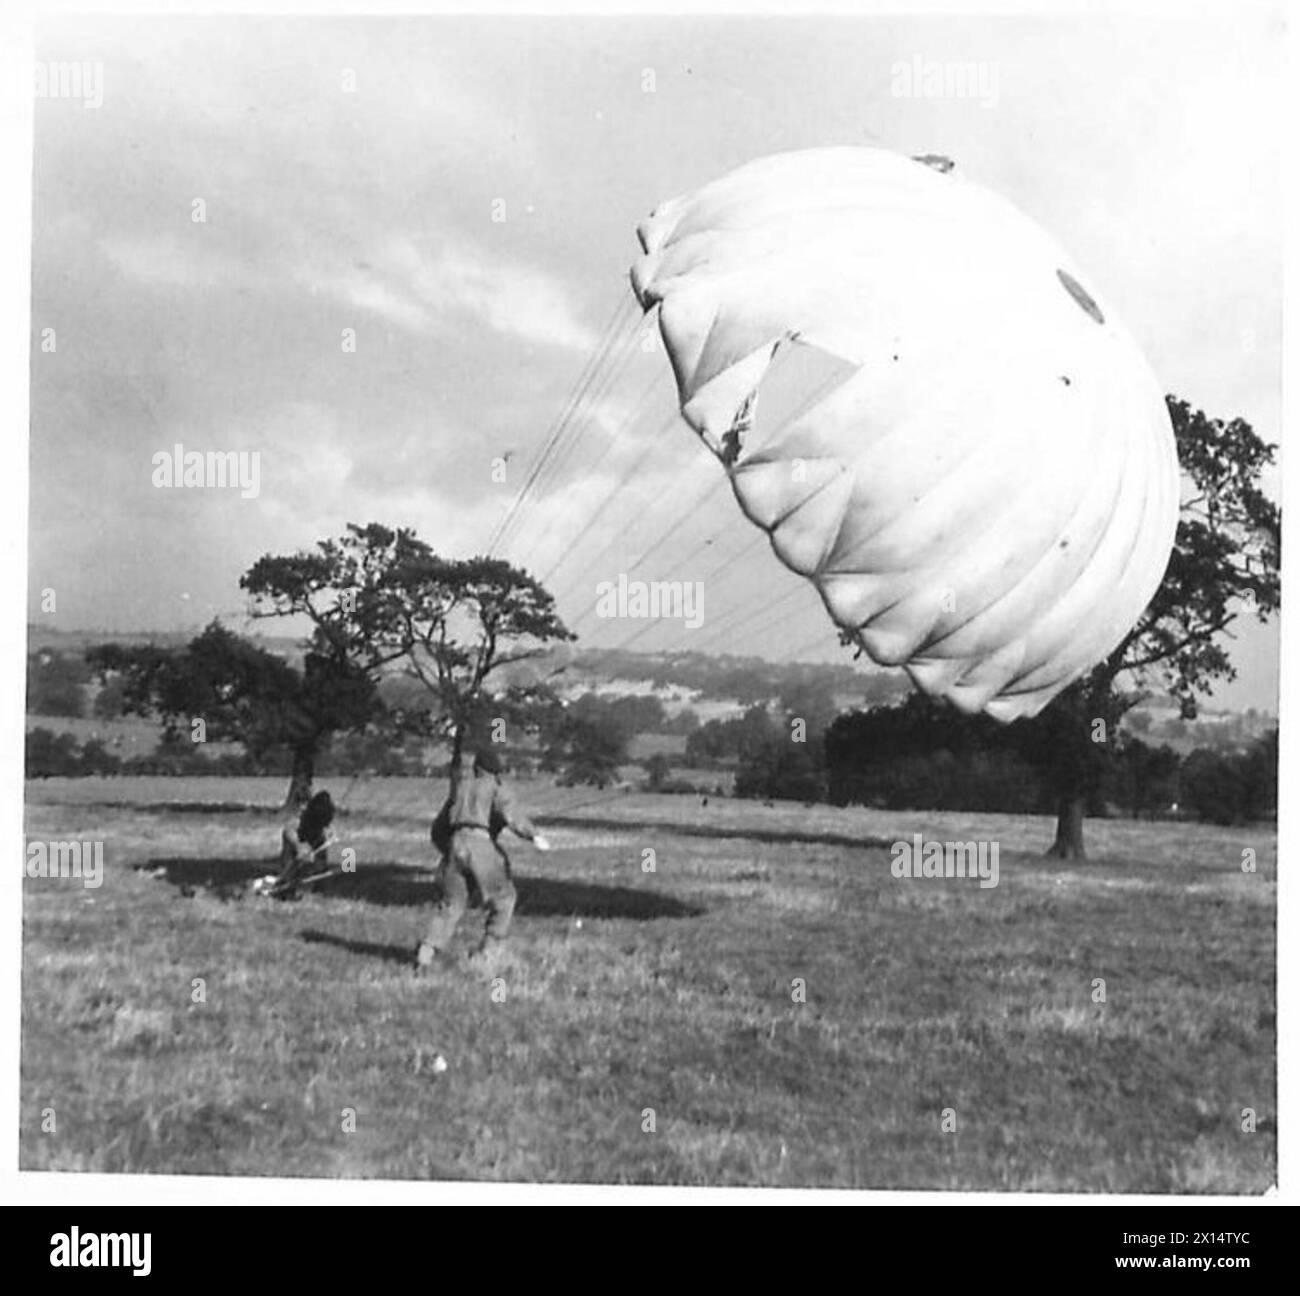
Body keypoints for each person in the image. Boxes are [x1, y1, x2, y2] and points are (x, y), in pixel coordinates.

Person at [417, 749, 548, 967]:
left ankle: (425, 954)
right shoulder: (497, 788)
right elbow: (512, 816)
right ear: (495, 772)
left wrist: (448, 852)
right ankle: (488, 952)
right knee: (504, 898)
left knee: (451, 904)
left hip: (455, 844)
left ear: (477, 768)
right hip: (480, 844)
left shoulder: (460, 788)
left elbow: (439, 829)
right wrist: (534, 836)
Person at [270, 790, 336, 898]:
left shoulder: (321, 822)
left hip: (314, 846)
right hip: (295, 853)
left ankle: (317, 887)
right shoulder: (299, 820)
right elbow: (288, 830)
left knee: (320, 866)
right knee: (294, 861)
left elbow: (326, 833)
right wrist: (299, 846)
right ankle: (286, 883)